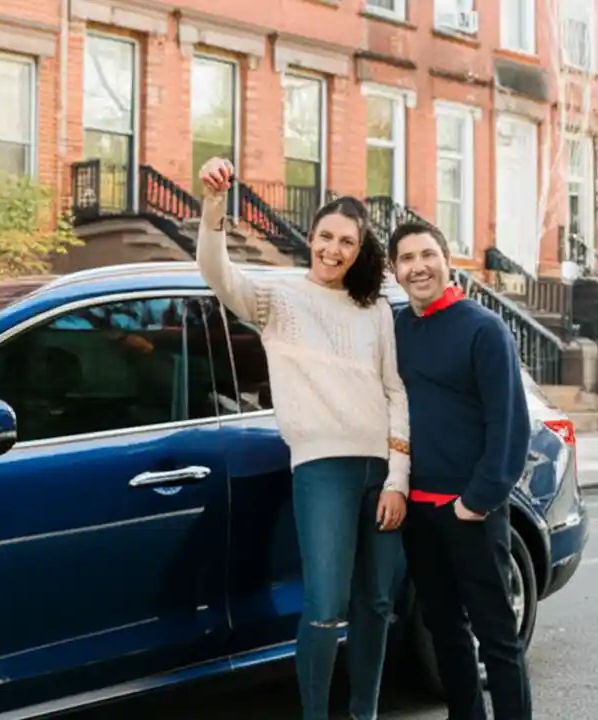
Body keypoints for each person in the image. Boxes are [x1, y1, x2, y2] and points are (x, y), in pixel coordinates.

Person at [195, 157, 410, 720]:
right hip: (323, 471)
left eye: (346, 242)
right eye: (325, 237)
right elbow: (216, 273)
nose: (333, 249)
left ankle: (363, 713)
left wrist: (398, 478)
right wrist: (215, 206)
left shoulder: (377, 310)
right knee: (324, 606)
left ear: (360, 250)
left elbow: (397, 394)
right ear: (309, 238)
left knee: (377, 603)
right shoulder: (279, 301)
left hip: (381, 475)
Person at [387, 220, 533, 720]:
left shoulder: (483, 329)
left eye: (427, 254)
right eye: (406, 259)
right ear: (395, 270)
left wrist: (477, 501)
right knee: (445, 633)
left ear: (447, 261)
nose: (418, 266)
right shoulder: (398, 329)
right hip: (418, 513)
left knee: (497, 638)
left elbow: (509, 423)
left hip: (469, 510)